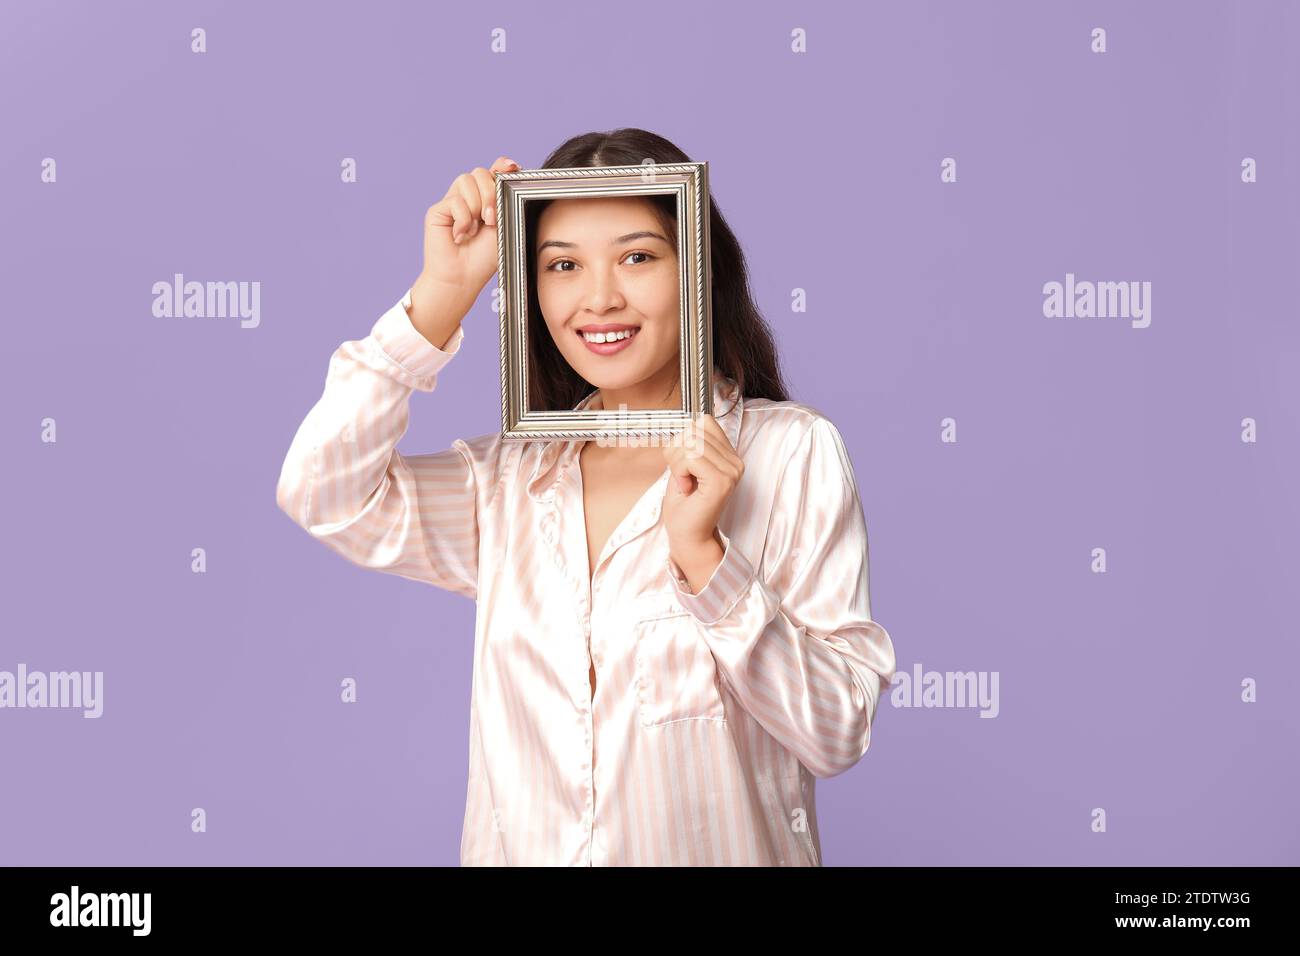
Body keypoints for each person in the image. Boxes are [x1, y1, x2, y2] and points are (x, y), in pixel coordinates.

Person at [276, 128, 896, 866]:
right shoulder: (509, 481)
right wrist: (443, 296)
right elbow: (321, 490)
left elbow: (835, 732)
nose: (600, 297)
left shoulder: (790, 454)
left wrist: (706, 560)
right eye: (562, 265)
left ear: (697, 269)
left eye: (637, 256)